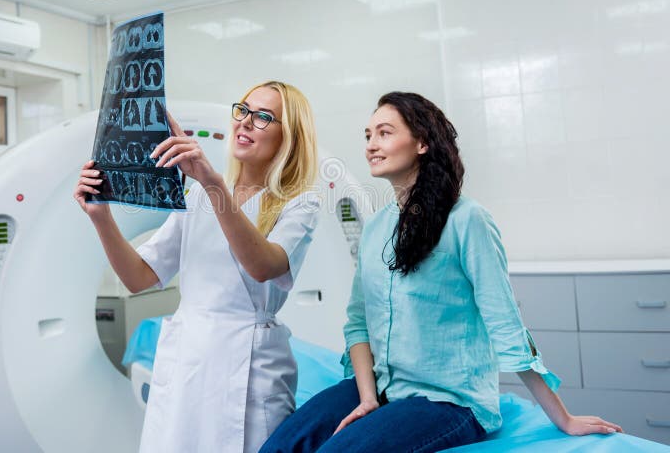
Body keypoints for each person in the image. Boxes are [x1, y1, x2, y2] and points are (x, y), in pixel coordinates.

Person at [260, 91, 621, 453]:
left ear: (421, 143)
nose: (371, 144)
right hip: (382, 387)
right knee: (279, 446)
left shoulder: (467, 220)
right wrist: (367, 398)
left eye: (384, 133)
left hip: (448, 400)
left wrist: (563, 418)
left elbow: (505, 324)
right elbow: (358, 322)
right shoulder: (376, 228)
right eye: (367, 135)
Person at [73, 81, 320, 453]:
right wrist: (101, 217)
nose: (246, 122)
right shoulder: (196, 195)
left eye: (264, 117)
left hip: (251, 368)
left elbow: (262, 266)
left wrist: (211, 181)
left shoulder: (299, 202)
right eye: (243, 111)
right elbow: (139, 278)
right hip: (188, 358)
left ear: (290, 138)